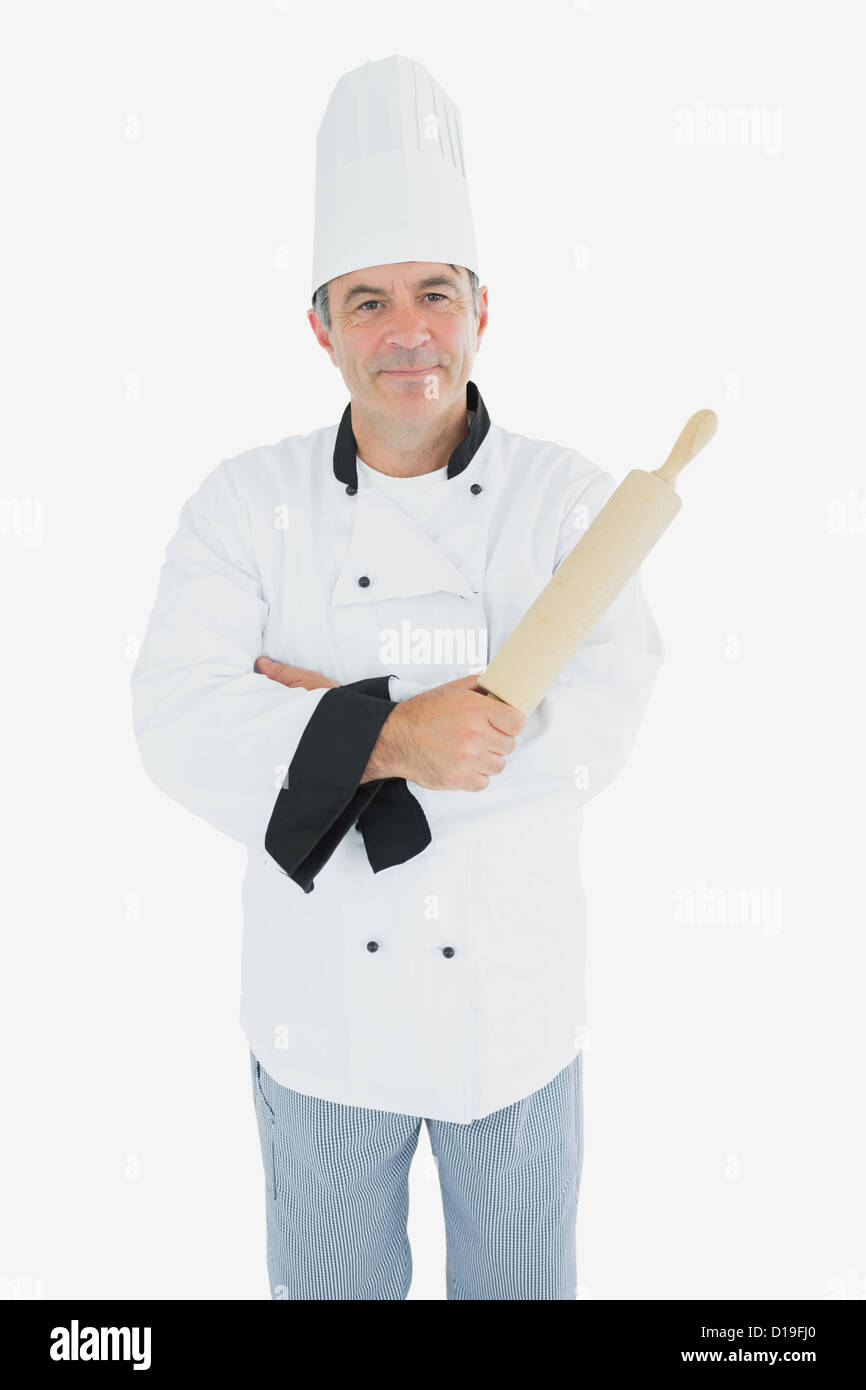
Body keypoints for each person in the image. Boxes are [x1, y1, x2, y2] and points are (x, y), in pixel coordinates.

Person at [130, 54, 665, 1301]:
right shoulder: (241, 506)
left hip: (512, 1027)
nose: (406, 332)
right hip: (320, 1026)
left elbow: (599, 725)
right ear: (319, 326)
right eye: (366, 301)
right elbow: (172, 720)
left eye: (433, 292)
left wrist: (319, 722)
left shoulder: (568, 505)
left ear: (484, 308)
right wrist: (396, 733)